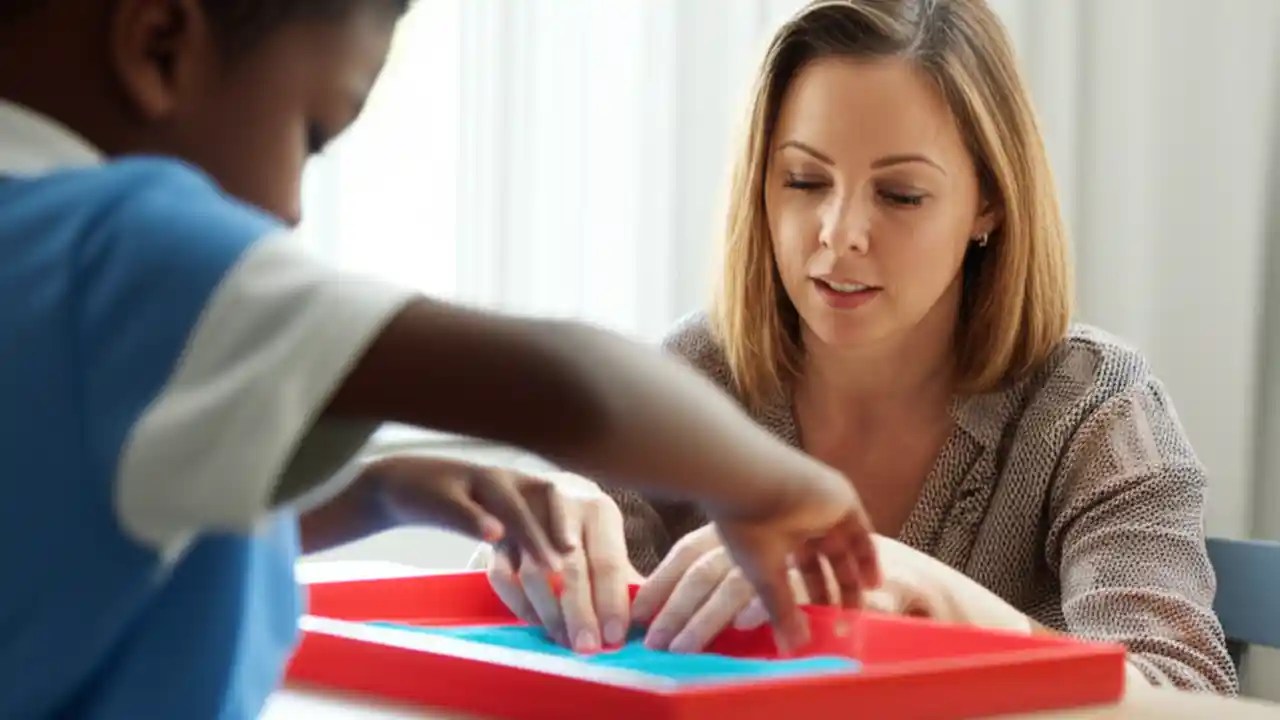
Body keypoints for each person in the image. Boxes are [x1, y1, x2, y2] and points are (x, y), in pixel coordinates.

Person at [0, 1, 884, 717]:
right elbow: (572, 387)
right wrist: (777, 485)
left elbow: (99, 532)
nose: (294, 207)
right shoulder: (128, 251)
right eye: (312, 133)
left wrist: (378, 493)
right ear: (159, 44)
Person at [480, 0, 1238, 695]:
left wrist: (930, 594)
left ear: (989, 204)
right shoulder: (697, 373)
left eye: (900, 194)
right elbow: (534, 607)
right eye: (804, 180)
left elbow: (1186, 694)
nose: (839, 232)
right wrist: (548, 531)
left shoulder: (1096, 410)